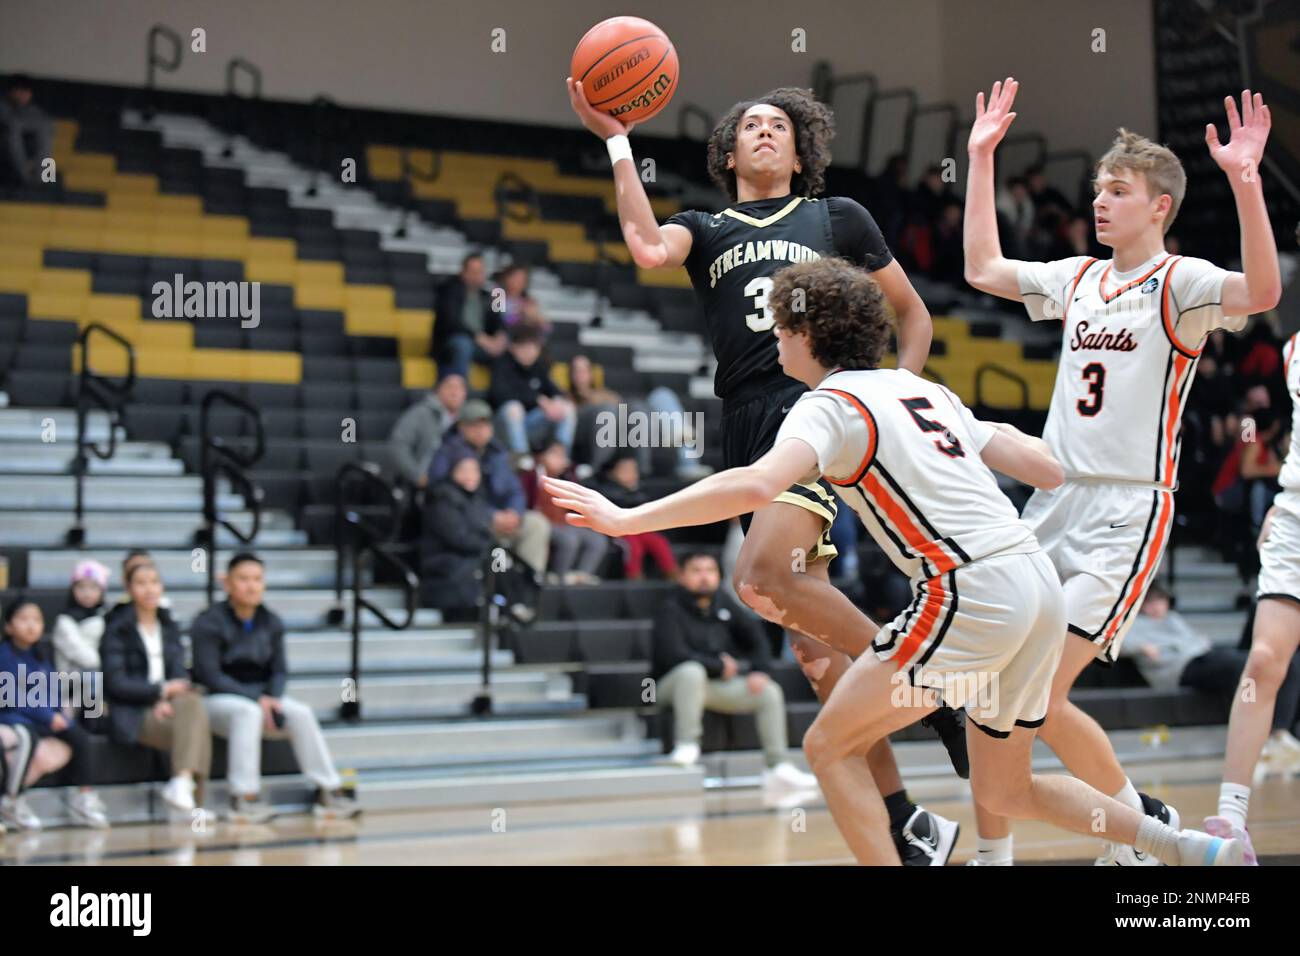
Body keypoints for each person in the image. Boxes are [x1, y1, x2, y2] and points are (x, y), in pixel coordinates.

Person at [543, 256, 1244, 867]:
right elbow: (1047, 469)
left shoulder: (828, 404)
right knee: (1005, 788)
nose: (776, 340)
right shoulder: (929, 393)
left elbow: (756, 484)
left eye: (782, 328)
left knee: (826, 746)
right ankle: (1185, 848)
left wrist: (627, 517)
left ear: (807, 334)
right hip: (1036, 586)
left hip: (970, 591)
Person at [566, 77, 964, 864]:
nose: (764, 131)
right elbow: (646, 249)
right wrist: (617, 140)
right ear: (729, 150)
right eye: (749, 124)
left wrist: (895, 392)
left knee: (760, 578)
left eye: (779, 124)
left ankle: (934, 691)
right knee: (818, 660)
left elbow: (912, 313)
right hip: (743, 419)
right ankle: (906, 818)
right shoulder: (704, 227)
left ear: (801, 146)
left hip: (813, 408)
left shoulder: (836, 216)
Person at [962, 78, 1281, 864]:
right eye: (1098, 188)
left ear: (1159, 205)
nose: (1100, 201)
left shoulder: (1182, 284)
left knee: (1033, 689)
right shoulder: (1076, 277)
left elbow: (1266, 290)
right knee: (1011, 684)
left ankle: (1132, 833)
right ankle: (1138, 822)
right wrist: (978, 160)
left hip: (1126, 515)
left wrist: (1245, 181)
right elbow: (980, 268)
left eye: (1118, 190)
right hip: (1050, 504)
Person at [1208, 330, 1300, 863]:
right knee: (1262, 659)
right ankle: (1231, 821)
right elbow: (1246, 465)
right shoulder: (1250, 421)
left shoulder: (1267, 425)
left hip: (1270, 484)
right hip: (1244, 495)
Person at [190, 553, 361, 822]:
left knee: (301, 712)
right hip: (215, 701)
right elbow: (209, 675)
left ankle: (328, 790)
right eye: (243, 579)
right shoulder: (208, 621)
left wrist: (272, 697)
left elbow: (279, 670)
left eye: (257, 579)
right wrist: (258, 698)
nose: (251, 586)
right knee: (248, 712)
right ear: (228, 584)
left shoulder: (271, 621)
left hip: (260, 699)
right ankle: (243, 798)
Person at [653, 551, 819, 793]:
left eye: (710, 571)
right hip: (672, 686)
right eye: (696, 571)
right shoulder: (669, 609)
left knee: (768, 692)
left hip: (712, 687)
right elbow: (673, 655)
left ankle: (778, 765)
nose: (704, 577)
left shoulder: (723, 603)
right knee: (691, 672)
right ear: (681, 576)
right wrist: (719, 666)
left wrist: (759, 670)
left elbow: (758, 640)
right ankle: (686, 745)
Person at [1121, 585, 1300, 779]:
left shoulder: (1173, 618)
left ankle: (1280, 732)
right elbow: (1115, 643)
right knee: (1243, 668)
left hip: (1204, 657)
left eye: (1159, 600)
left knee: (1282, 663)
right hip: (1182, 668)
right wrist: (1139, 647)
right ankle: (1258, 737)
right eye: (1150, 602)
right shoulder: (1133, 624)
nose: (1156, 607)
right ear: (1141, 605)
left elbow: (1199, 641)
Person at [101, 562, 212, 816]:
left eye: (154, 582)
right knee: (195, 716)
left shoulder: (169, 625)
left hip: (167, 708)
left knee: (193, 704)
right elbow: (115, 683)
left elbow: (178, 673)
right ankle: (190, 798)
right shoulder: (117, 629)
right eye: (141, 583)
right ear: (129, 589)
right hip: (132, 713)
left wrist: (169, 696)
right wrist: (158, 693)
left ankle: (183, 786)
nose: (149, 589)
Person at [0, 597, 109, 829]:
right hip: (13, 715)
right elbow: (12, 696)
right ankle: (11, 799)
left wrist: (58, 712)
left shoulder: (42, 655)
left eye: (36, 620)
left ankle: (84, 798)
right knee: (26, 736)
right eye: (23, 619)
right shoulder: (4, 655)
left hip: (41, 717)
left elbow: (51, 689)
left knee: (81, 738)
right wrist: (49, 716)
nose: (31, 625)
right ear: (8, 626)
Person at [428, 399, 550, 576]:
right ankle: (499, 590)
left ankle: (529, 585)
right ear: (461, 427)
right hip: (471, 522)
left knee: (536, 524)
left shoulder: (499, 452)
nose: (481, 431)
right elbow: (444, 495)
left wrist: (515, 513)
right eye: (474, 425)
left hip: (503, 518)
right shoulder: (448, 453)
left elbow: (515, 490)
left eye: (485, 425)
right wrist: (490, 516)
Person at [520, 441, 608, 584]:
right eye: (556, 455)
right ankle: (559, 578)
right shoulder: (531, 474)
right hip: (543, 522)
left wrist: (569, 473)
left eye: (563, 456)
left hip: (564, 521)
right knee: (569, 540)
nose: (562, 460)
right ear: (542, 456)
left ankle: (581, 577)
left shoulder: (567, 475)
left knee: (597, 540)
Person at [421, 451, 496, 616]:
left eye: (474, 470)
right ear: (452, 471)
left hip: (470, 556)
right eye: (464, 469)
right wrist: (487, 544)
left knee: (502, 562)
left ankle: (514, 608)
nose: (470, 475)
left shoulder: (478, 498)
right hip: (443, 560)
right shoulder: (441, 497)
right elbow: (457, 537)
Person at [488, 324, 576, 457]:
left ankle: (560, 456)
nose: (529, 352)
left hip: (530, 424)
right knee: (513, 408)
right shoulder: (502, 364)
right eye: (525, 347)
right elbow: (499, 395)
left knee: (566, 408)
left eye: (534, 347)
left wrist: (556, 401)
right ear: (513, 347)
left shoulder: (538, 367)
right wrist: (538, 400)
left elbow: (553, 390)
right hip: (501, 426)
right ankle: (523, 460)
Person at [589, 451, 677, 580]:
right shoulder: (606, 489)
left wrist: (633, 491)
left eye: (633, 470)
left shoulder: (639, 489)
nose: (630, 474)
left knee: (659, 542)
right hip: (617, 530)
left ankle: (673, 577)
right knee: (634, 548)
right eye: (625, 470)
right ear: (612, 472)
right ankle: (634, 580)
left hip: (638, 528)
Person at [433, 252, 504, 379]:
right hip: (452, 342)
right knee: (463, 345)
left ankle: (503, 395)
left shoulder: (490, 294)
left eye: (481, 271)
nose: (478, 275)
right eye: (474, 271)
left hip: (482, 344)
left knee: (510, 350)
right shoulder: (449, 290)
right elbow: (452, 322)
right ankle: (459, 391)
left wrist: (500, 336)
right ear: (463, 272)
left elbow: (498, 320)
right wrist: (479, 337)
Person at [388, 373, 466, 489]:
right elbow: (398, 446)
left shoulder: (468, 418)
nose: (455, 393)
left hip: (459, 485)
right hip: (426, 484)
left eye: (460, 388)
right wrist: (417, 476)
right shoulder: (420, 414)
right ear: (438, 389)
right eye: (450, 387)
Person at [52, 559, 110, 682]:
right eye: (81, 587)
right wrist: (109, 663)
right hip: (70, 682)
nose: (87, 593)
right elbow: (84, 656)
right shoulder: (65, 620)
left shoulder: (106, 615)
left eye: (93, 587)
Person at [0, 74, 52, 187]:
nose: (24, 95)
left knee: (46, 130)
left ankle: (43, 178)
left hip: (23, 151)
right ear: (12, 91)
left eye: (27, 92)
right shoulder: (2, 106)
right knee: (13, 129)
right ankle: (25, 178)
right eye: (21, 91)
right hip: (4, 152)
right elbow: (9, 124)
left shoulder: (33, 110)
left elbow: (44, 124)